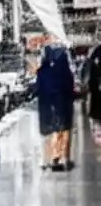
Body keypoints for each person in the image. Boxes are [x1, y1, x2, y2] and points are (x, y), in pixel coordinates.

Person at [36, 42, 75, 171]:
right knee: (63, 132)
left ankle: (49, 159)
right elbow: (70, 89)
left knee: (48, 133)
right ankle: (64, 158)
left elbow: (38, 89)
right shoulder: (65, 72)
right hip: (63, 106)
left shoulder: (42, 72)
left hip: (46, 107)